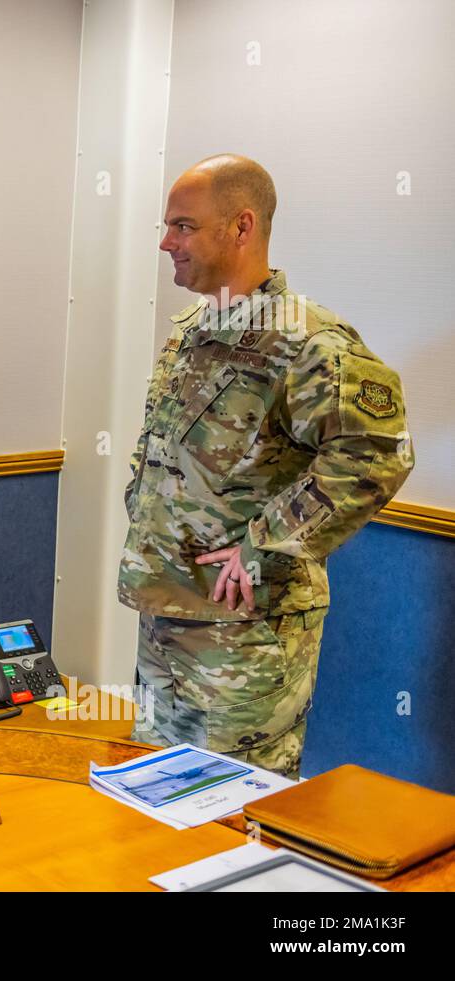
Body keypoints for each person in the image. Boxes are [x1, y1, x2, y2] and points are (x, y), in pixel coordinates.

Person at [120, 154, 413, 778]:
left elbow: (376, 455)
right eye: (166, 229)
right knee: (155, 802)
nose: (167, 243)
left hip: (247, 634)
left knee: (232, 811)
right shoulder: (195, 332)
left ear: (242, 226)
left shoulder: (307, 341)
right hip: (170, 618)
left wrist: (265, 543)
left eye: (183, 227)